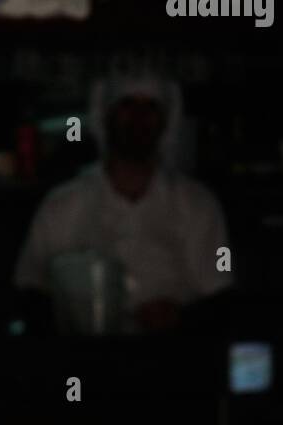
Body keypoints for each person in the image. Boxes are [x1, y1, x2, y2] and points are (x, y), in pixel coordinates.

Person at [14, 68, 232, 333]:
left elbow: (220, 296)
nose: (139, 118)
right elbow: (29, 289)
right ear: (105, 115)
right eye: (127, 105)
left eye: (150, 107)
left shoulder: (199, 204)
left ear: (165, 120)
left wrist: (180, 317)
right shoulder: (61, 206)